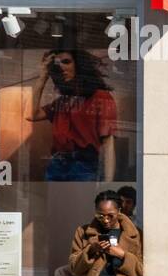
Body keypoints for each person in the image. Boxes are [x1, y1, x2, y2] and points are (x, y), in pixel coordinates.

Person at [28, 48, 118, 182]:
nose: (62, 67)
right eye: (57, 64)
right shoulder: (62, 101)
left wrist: (108, 184)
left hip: (83, 165)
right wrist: (43, 77)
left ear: (79, 65)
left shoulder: (100, 97)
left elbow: (108, 143)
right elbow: (31, 115)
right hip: (57, 164)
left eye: (66, 62)